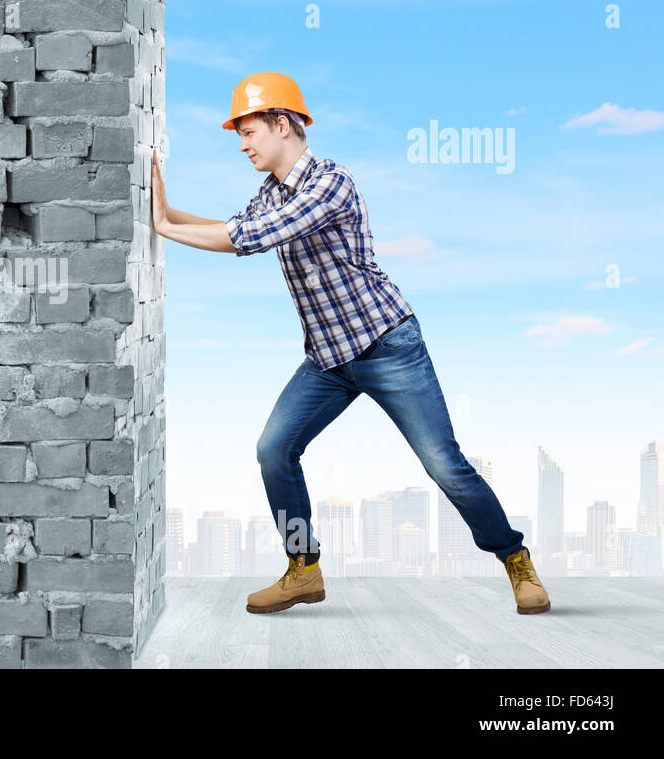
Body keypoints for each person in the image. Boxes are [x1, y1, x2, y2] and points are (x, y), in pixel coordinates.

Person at [149, 71, 550, 616]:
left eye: (248, 131)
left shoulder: (331, 182)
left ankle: (515, 559)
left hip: (388, 346)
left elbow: (252, 238)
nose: (242, 145)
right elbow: (231, 226)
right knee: (274, 449)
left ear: (282, 124)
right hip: (328, 358)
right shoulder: (269, 192)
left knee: (444, 464)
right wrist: (165, 214)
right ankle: (303, 571)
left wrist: (166, 228)